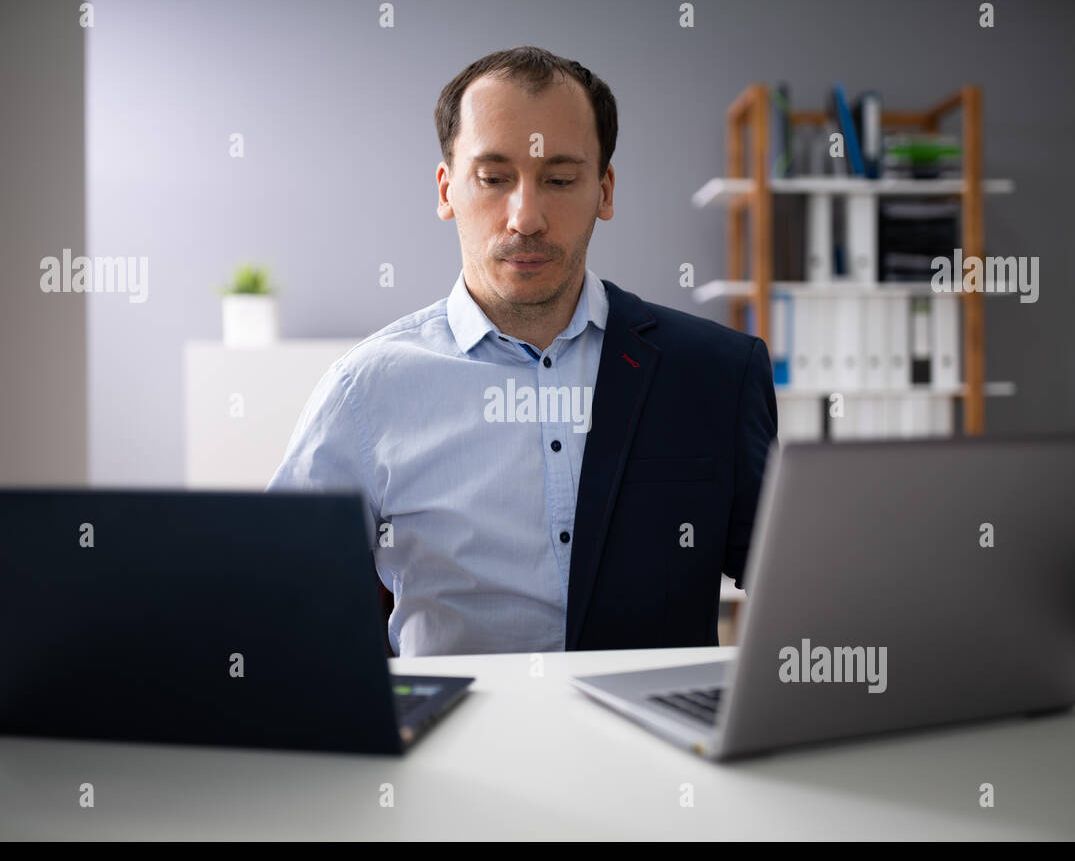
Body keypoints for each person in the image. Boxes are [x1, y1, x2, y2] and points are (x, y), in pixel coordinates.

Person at [268, 46, 777, 656]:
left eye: (560, 180)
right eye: (493, 178)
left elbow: (802, 590)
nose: (526, 217)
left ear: (605, 191)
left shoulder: (718, 373)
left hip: (652, 745)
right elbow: (280, 602)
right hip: (446, 744)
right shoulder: (364, 392)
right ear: (447, 188)